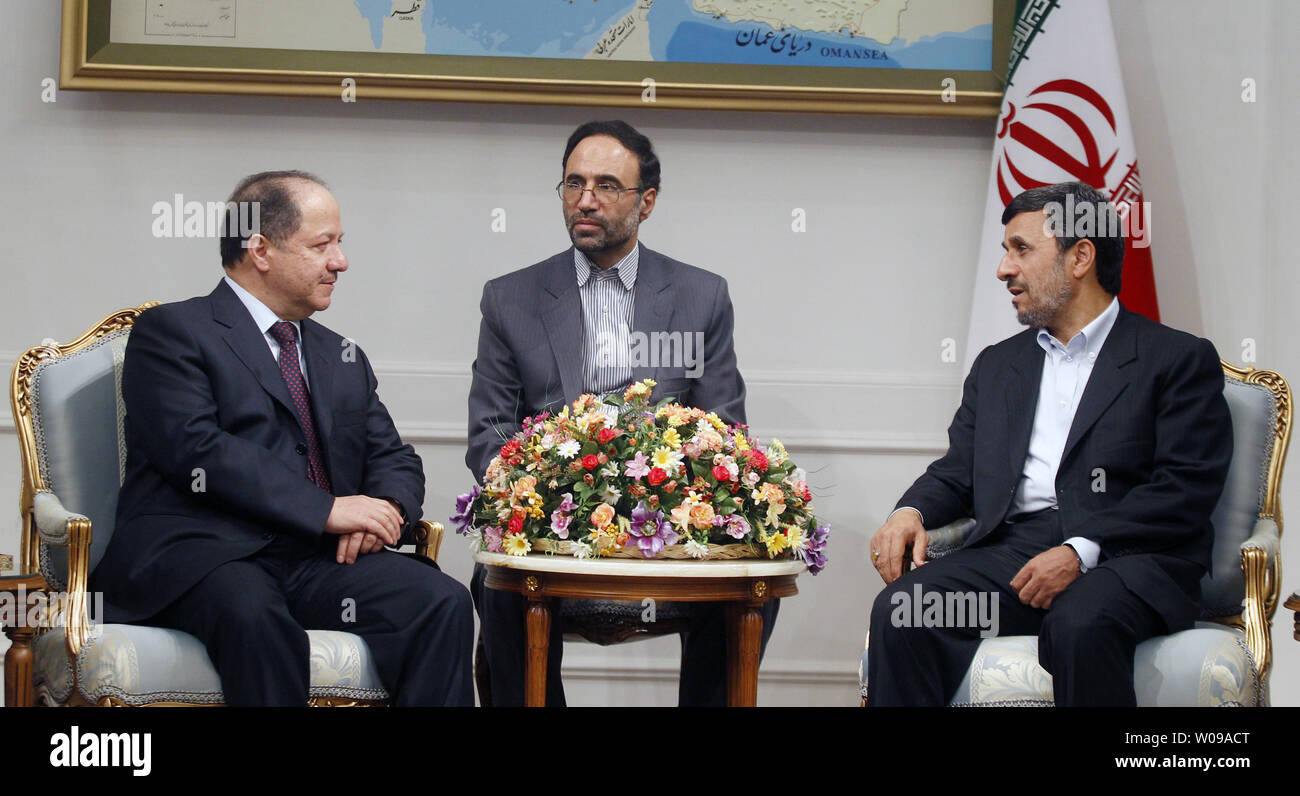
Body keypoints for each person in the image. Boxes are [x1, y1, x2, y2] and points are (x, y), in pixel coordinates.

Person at [92, 171, 474, 706]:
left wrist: (382, 509)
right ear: (261, 249)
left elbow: (393, 455)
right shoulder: (173, 333)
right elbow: (197, 451)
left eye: (340, 243)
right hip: (209, 559)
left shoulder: (341, 354)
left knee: (441, 600)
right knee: (253, 615)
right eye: (323, 245)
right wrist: (327, 509)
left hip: (319, 563)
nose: (340, 261)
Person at [866, 181, 1232, 706]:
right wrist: (910, 512)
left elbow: (1185, 488)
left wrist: (1080, 552)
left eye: (1021, 249)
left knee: (1080, 622)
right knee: (909, 610)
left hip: (1130, 558)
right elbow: (959, 469)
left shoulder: (1175, 359)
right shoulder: (999, 366)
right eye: (1005, 251)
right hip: (1015, 560)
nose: (1004, 270)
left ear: (1080, 256)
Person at [465, 120, 777, 706]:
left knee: (747, 585)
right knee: (498, 584)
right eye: (573, 183)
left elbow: (725, 429)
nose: (585, 199)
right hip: (554, 529)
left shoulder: (699, 295)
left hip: (668, 531)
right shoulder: (510, 299)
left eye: (607, 185)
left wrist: (660, 505)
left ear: (646, 201)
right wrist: (553, 494)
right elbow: (490, 433)